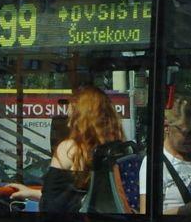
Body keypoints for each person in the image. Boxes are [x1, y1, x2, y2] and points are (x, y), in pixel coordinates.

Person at [11, 85, 132, 214]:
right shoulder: (117, 149)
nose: (68, 122)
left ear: (79, 116)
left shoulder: (70, 149)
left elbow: (51, 203)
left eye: (70, 115)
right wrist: (30, 193)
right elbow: (84, 198)